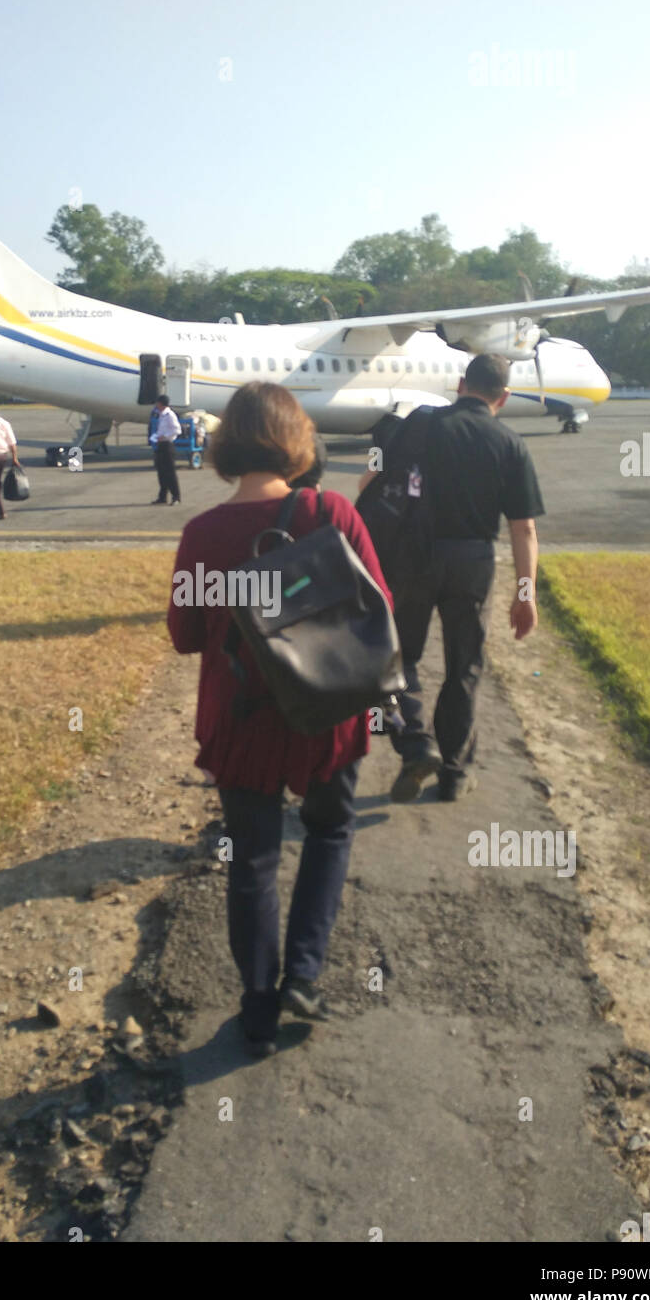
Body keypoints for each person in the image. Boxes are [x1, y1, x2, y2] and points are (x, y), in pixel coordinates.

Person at [167, 382, 394, 1058]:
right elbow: (375, 605)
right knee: (328, 832)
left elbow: (184, 636)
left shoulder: (201, 532)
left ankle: (257, 1008)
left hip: (241, 718)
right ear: (298, 441)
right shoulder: (332, 511)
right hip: (327, 707)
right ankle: (304, 973)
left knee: (252, 862)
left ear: (225, 445)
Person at [360, 353, 544, 803]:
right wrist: (526, 593)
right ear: (503, 396)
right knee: (465, 666)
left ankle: (416, 743)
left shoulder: (416, 424)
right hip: (473, 562)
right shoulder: (509, 443)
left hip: (413, 557)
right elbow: (525, 529)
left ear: (460, 384)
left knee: (402, 658)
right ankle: (456, 773)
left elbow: (369, 483)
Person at [150, 395, 182, 504]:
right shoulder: (161, 415)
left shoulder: (170, 415)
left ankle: (176, 497)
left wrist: (165, 436)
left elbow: (177, 430)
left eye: (157, 403)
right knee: (161, 472)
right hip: (160, 445)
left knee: (170, 473)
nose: (156, 405)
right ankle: (162, 497)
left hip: (168, 445)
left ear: (161, 404)